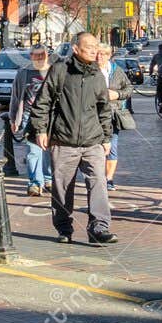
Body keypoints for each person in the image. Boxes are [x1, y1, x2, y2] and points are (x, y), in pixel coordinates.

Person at [28, 31, 118, 246]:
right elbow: (43, 102)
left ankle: (99, 228)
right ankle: (64, 227)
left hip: (93, 141)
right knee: (62, 187)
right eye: (89, 47)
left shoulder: (97, 74)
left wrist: (106, 137)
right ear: (76, 49)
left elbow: (104, 108)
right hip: (63, 140)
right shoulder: (60, 70)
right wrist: (40, 130)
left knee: (98, 184)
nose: (94, 51)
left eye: (96, 47)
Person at [10, 46, 52, 196]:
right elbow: (15, 96)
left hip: (51, 116)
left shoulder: (54, 71)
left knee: (49, 150)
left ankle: (49, 179)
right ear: (30, 56)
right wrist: (13, 118)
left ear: (47, 55)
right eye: (36, 55)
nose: (39, 58)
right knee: (33, 151)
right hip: (29, 116)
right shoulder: (23, 73)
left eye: (42, 55)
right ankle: (35, 183)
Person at [98, 43, 132, 191]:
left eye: (104, 54)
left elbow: (128, 88)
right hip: (92, 115)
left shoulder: (116, 71)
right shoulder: (89, 70)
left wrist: (117, 94)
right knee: (94, 149)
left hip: (112, 115)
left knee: (112, 148)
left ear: (109, 55)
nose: (100, 56)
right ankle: (97, 178)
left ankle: (108, 178)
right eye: (98, 53)